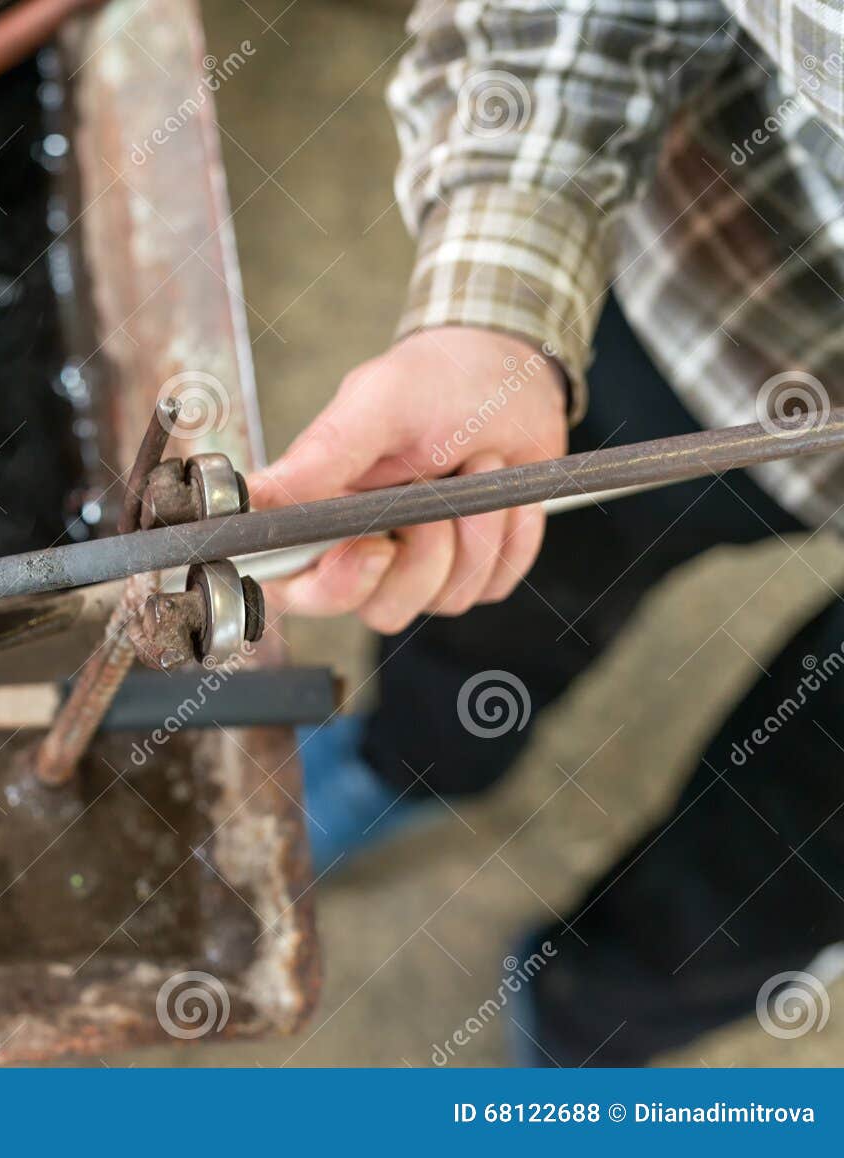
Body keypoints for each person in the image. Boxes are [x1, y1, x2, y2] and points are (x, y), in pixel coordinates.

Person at [251, 0, 844, 1065]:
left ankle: (585, 1026)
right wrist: (499, 304)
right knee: (498, 579)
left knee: (796, 864)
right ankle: (408, 763)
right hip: (734, 300)